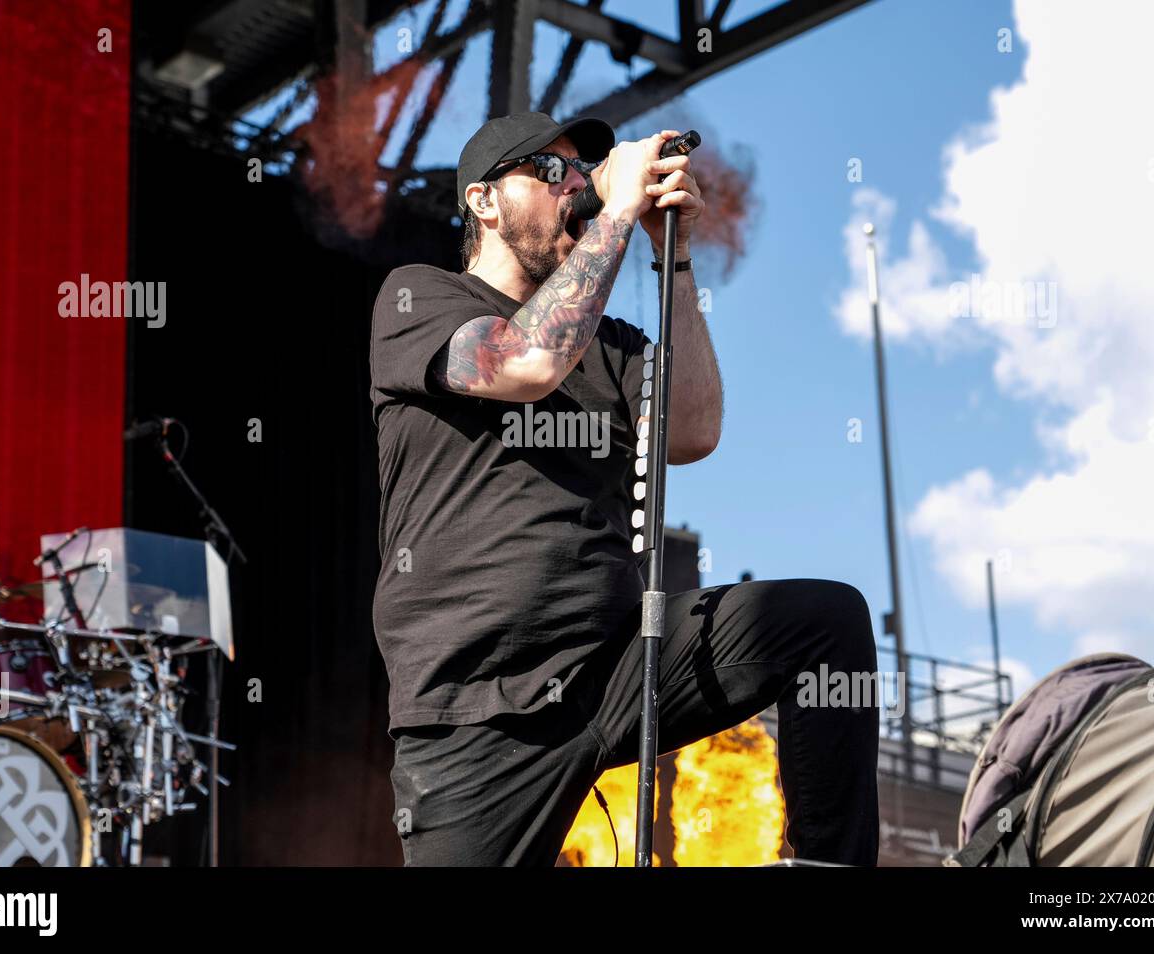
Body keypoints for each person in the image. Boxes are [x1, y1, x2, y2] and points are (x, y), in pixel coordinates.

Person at [369, 111, 879, 866]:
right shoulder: (420, 299)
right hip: (480, 707)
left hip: (615, 668)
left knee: (824, 623)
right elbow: (528, 361)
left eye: (581, 172)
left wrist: (668, 255)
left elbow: (693, 433)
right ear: (483, 202)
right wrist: (612, 208)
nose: (573, 185)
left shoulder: (610, 346)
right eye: (549, 173)